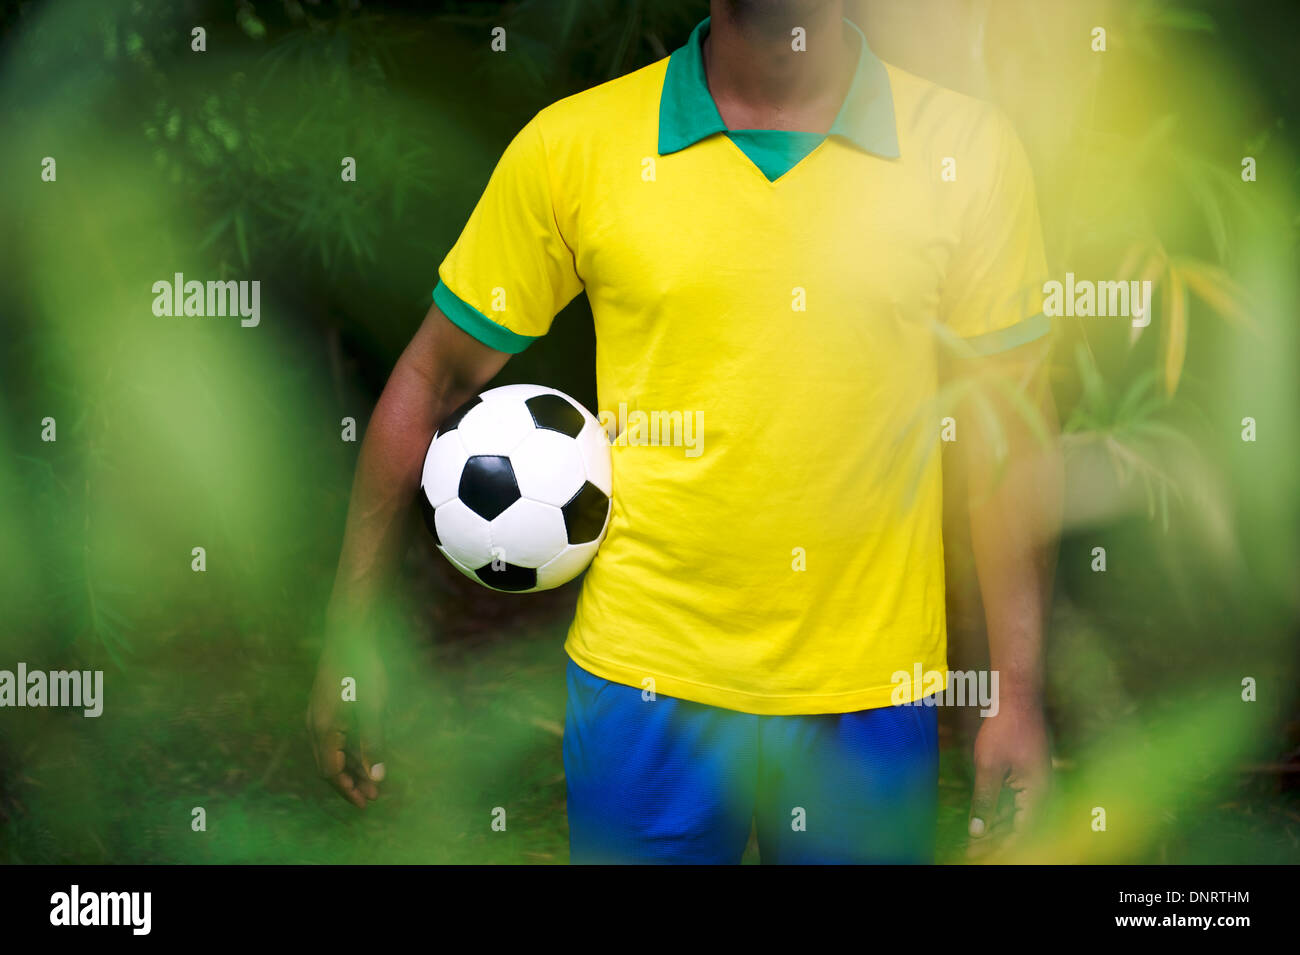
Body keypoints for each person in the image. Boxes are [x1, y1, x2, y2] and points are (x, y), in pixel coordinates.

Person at [307, 0, 1062, 863]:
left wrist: (1017, 698)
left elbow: (1014, 433)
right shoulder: (577, 144)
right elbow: (427, 374)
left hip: (875, 694)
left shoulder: (967, 147)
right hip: (643, 686)